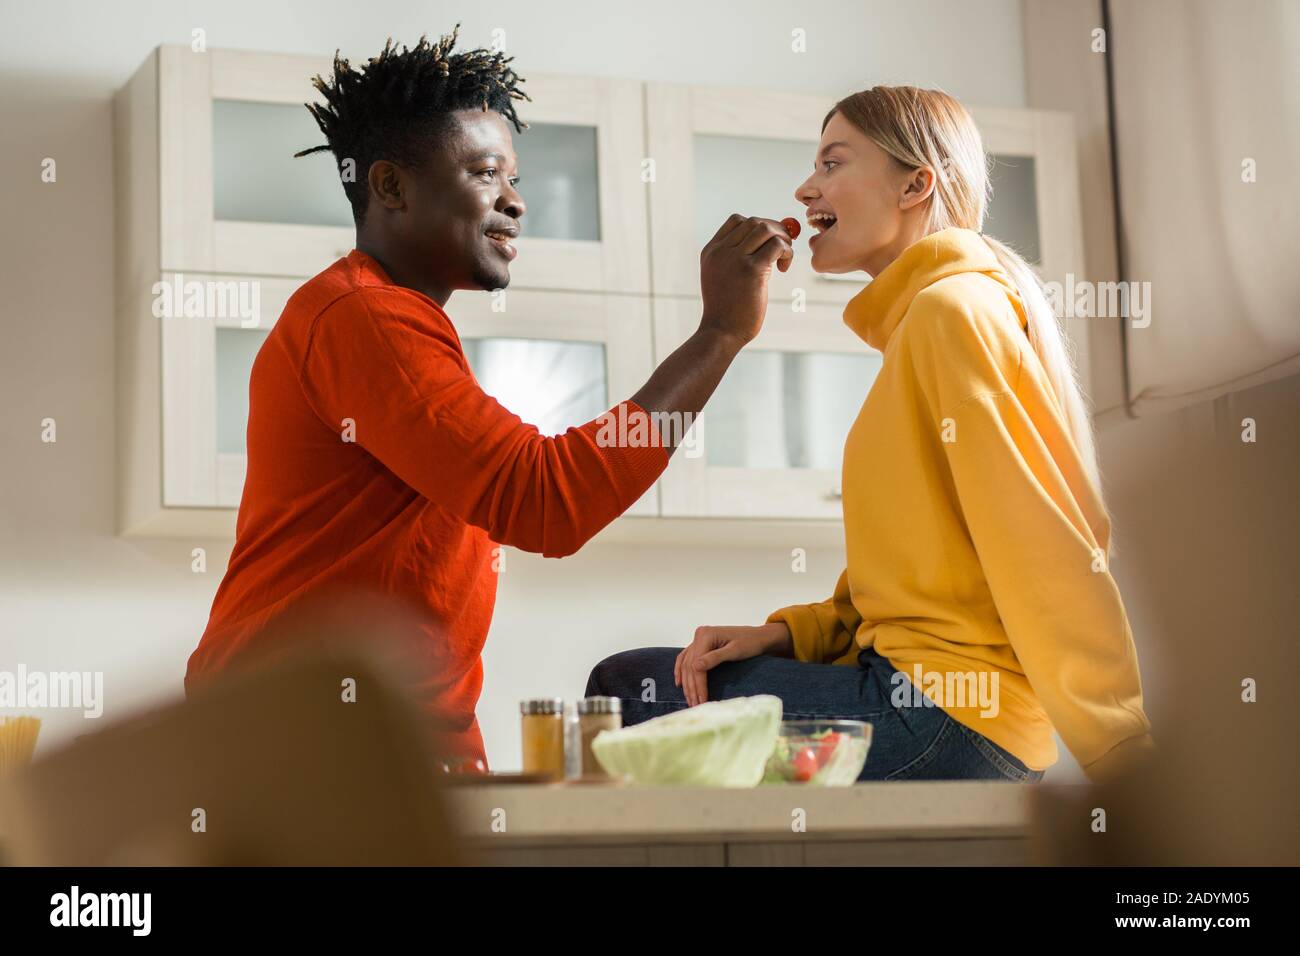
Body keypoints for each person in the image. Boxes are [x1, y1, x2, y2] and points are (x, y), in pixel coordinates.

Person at [185, 27, 793, 766]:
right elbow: (544, 498)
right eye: (485, 173)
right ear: (389, 186)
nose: (514, 201)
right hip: (308, 751)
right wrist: (721, 333)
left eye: (516, 179)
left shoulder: (388, 319)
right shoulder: (366, 318)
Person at [587, 86, 1155, 783]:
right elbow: (911, 583)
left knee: (625, 690)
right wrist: (789, 635)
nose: (805, 187)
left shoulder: (952, 312)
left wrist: (1124, 759)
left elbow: (1044, 540)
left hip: (941, 717)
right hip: (930, 706)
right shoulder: (926, 323)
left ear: (916, 184)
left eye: (832, 163)